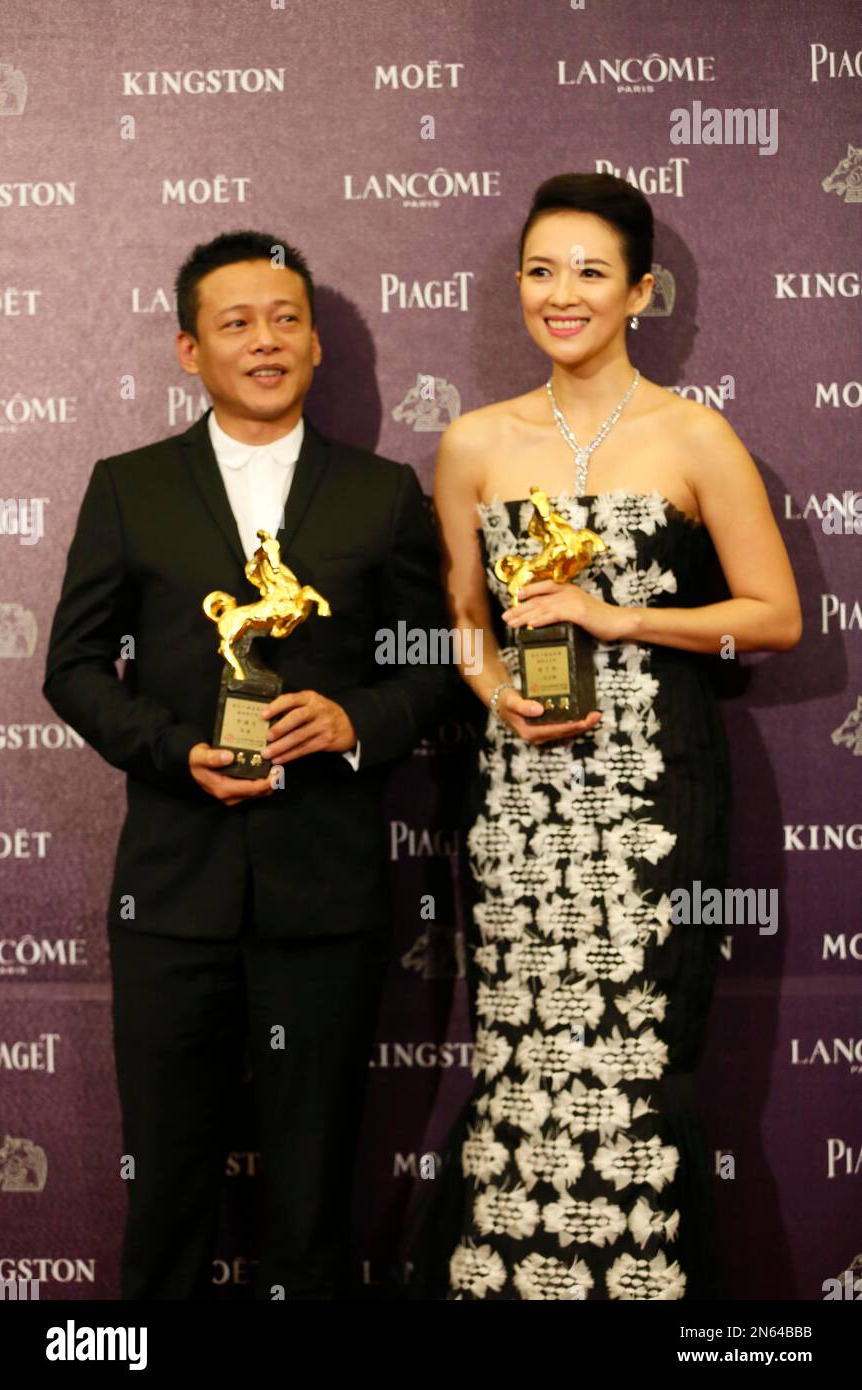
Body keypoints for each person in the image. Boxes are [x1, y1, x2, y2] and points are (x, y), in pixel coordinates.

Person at [411, 172, 802, 1300]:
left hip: (653, 799)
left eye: (589, 272)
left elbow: (771, 616)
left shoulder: (692, 436)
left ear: (639, 291)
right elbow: (463, 629)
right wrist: (497, 700)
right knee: (524, 1065)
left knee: (630, 1069)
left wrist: (616, 615)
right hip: (520, 803)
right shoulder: (474, 444)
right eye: (540, 271)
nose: (560, 293)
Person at [42, 230, 454, 1300]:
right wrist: (175, 750)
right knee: (167, 1189)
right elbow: (74, 669)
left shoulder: (380, 492)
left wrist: (353, 718)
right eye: (234, 323)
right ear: (189, 349)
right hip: (174, 893)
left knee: (312, 1195)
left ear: (315, 344)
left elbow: (441, 666)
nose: (263, 341)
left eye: (284, 320)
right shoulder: (129, 487)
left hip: (325, 893)